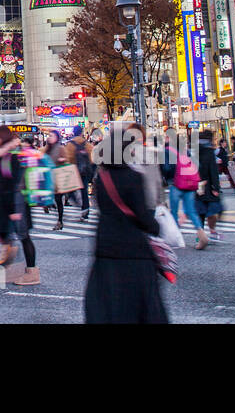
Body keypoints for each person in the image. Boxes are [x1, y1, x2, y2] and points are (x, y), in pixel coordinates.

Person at [84, 127, 168, 324]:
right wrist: (155, 227)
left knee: (109, 299)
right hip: (132, 246)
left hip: (106, 243)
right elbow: (141, 214)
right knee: (138, 301)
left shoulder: (101, 178)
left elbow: (101, 207)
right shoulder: (133, 177)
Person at [0, 127, 40, 285]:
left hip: (16, 204)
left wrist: (12, 210)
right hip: (16, 203)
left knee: (23, 237)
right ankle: (16, 269)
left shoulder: (9, 158)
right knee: (15, 236)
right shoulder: (7, 155)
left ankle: (31, 273)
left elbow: (10, 183)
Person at [47, 129, 82, 231]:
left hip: (59, 177)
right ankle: (59, 217)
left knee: (58, 200)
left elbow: (67, 158)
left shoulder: (60, 148)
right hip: (50, 177)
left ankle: (60, 220)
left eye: (52, 136)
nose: (50, 138)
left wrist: (62, 160)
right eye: (49, 136)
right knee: (52, 200)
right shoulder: (47, 149)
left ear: (57, 137)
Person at [195, 129, 224, 242]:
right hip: (208, 185)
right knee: (214, 209)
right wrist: (215, 187)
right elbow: (213, 171)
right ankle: (212, 231)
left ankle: (200, 235)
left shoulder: (194, 151)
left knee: (200, 211)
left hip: (197, 184)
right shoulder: (209, 152)